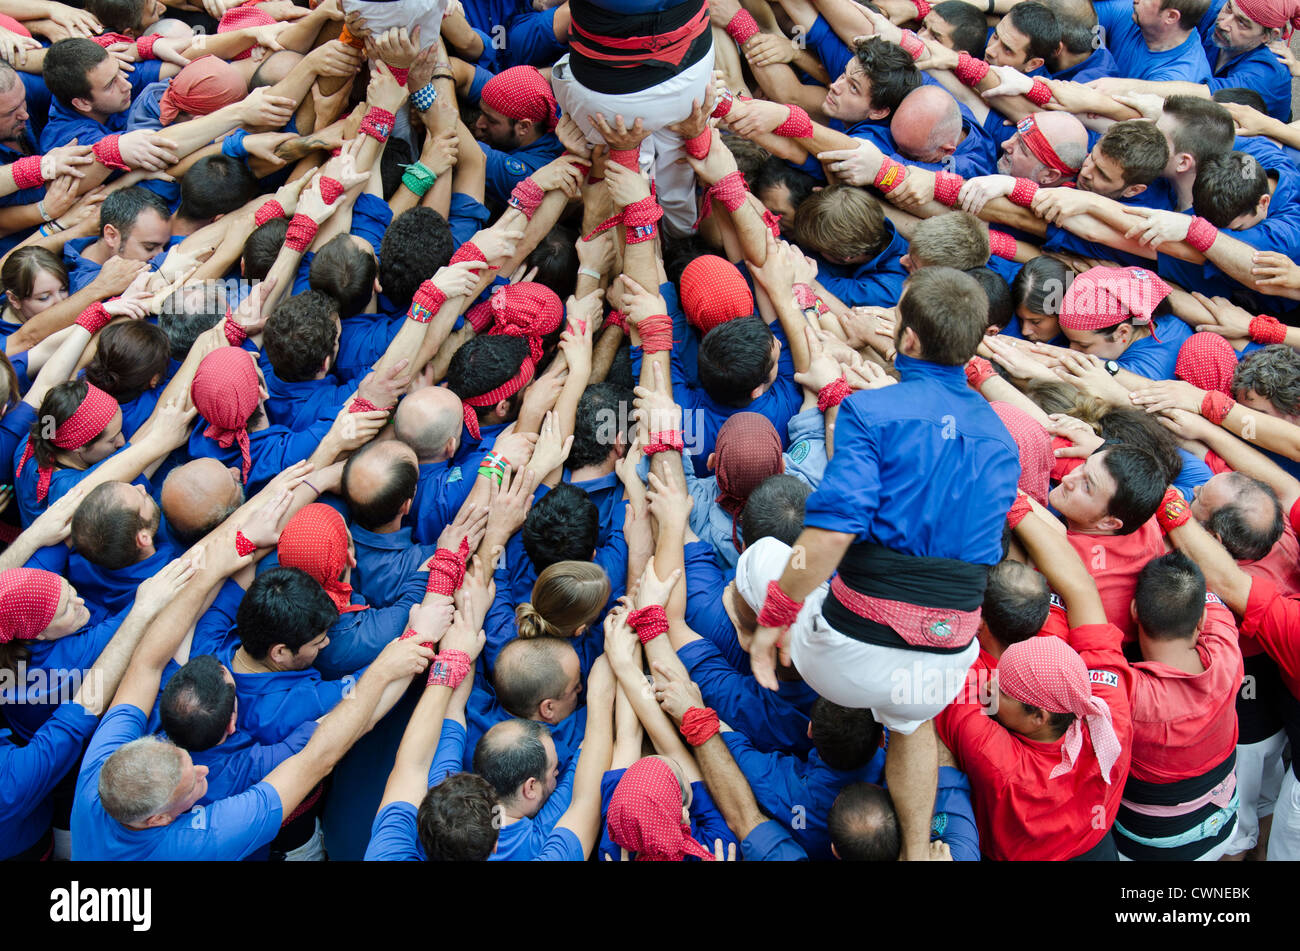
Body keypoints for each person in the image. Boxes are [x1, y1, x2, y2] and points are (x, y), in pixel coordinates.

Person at [748, 266, 1020, 861]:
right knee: (911, 723)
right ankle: (918, 852)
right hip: (941, 666)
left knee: (763, 555)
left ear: (910, 340)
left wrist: (774, 618)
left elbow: (827, 537)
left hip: (842, 657)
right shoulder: (1004, 440)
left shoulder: (871, 414)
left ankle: (770, 652)